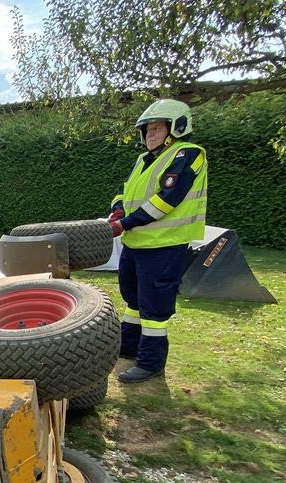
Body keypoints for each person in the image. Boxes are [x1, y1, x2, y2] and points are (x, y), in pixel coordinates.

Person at [107, 99, 208, 383]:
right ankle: (129, 347)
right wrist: (118, 210)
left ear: (176, 128)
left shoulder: (188, 154)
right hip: (136, 242)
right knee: (133, 300)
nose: (149, 134)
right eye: (147, 130)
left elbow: (166, 200)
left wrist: (124, 223)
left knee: (154, 308)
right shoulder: (143, 159)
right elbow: (124, 191)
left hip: (164, 244)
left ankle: (151, 363)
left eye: (156, 129)